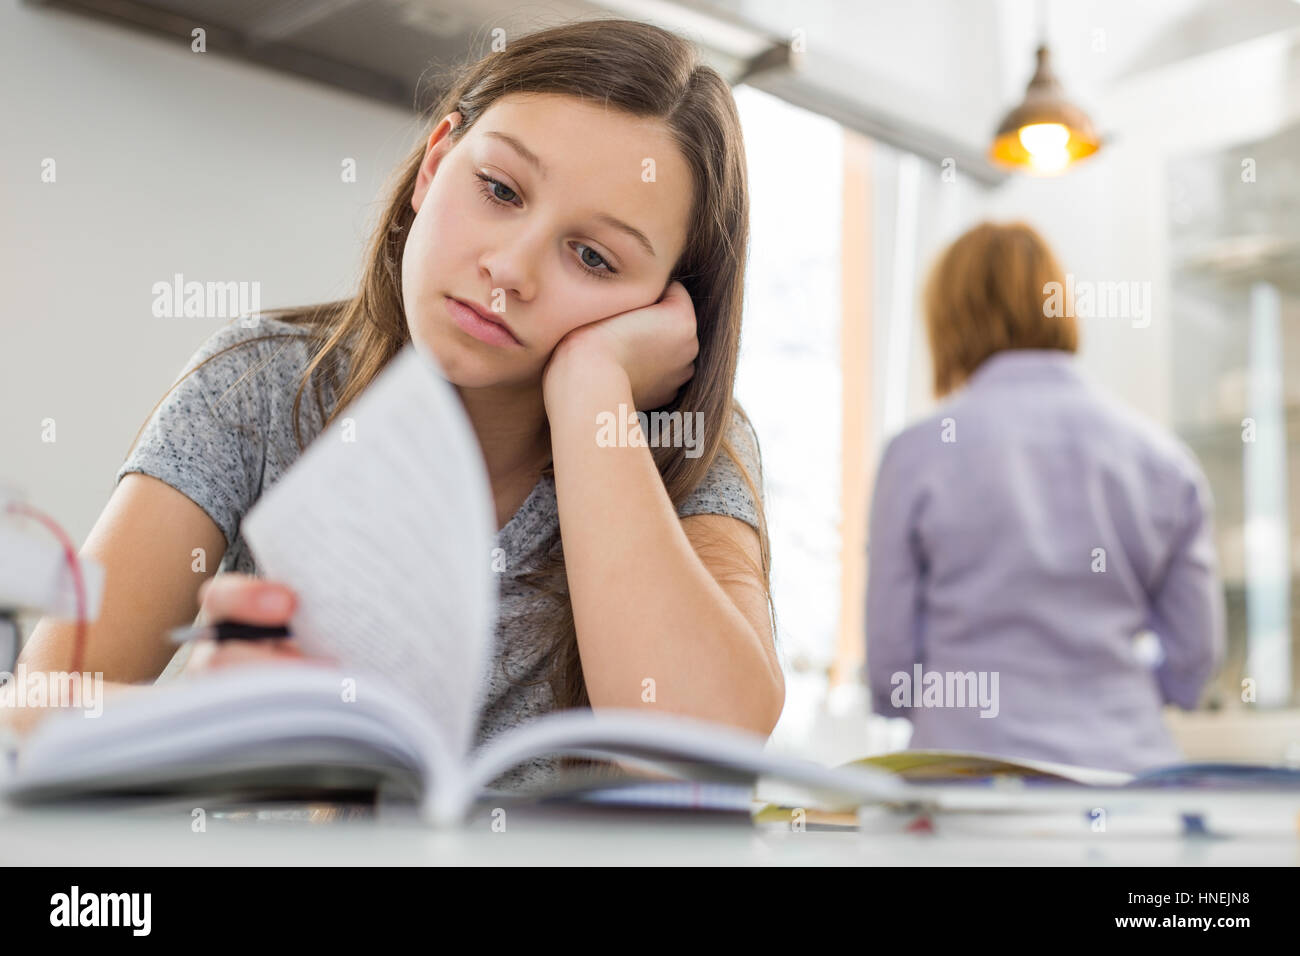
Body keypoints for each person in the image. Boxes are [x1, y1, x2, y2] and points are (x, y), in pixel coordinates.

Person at [6, 19, 783, 791]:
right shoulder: (261, 389)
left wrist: (591, 392)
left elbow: (701, 744)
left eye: (593, 257)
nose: (509, 269)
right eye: (500, 189)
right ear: (436, 164)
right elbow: (24, 723)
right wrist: (206, 722)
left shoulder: (685, 447)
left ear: (665, 304)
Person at [865, 220, 1225, 772]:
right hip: (1126, 782)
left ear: (950, 320)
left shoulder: (916, 454)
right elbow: (1194, 661)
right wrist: (1109, 703)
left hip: (963, 785)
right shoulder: (1164, 461)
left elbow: (891, 672)